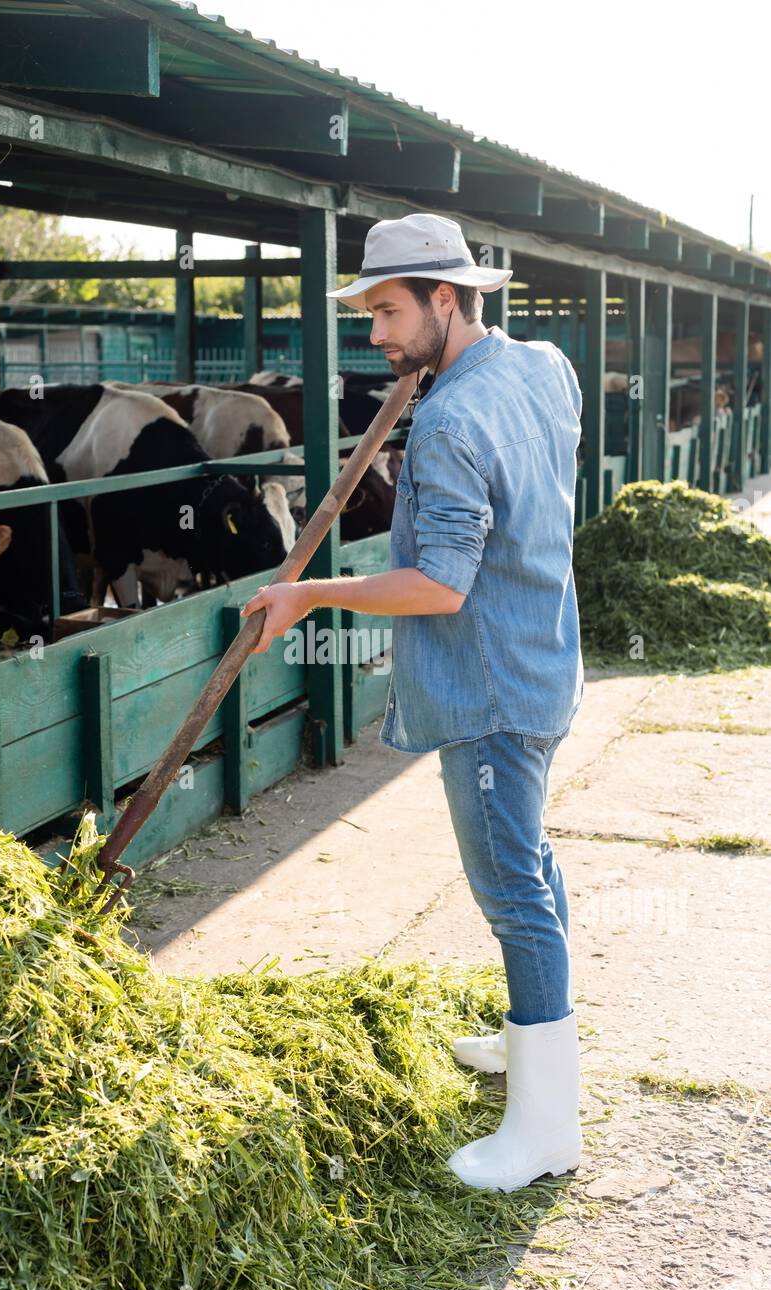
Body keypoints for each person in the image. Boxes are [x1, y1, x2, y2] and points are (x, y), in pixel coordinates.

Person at [240, 212, 585, 1194]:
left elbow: (439, 585)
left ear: (447, 297)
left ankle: (545, 1129)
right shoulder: (545, 367)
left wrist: (310, 593)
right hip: (546, 658)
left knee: (511, 885)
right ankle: (533, 1044)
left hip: (487, 690)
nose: (378, 337)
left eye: (389, 311)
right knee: (532, 859)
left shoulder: (447, 421)